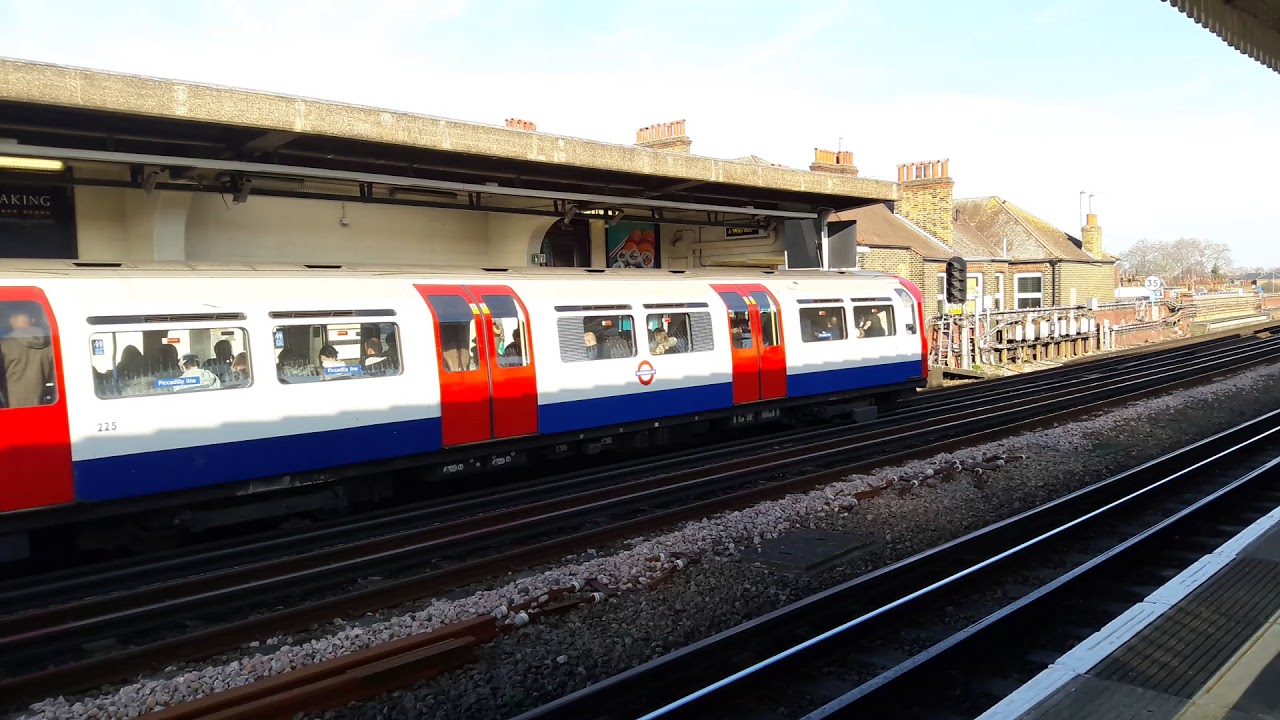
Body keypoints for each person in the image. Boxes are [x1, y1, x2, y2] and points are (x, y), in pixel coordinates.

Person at [0, 308, 55, 408]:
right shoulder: (50, 346)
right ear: (32, 321)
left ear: (12, 321)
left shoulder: (4, 345)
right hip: (42, 406)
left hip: (10, 409)